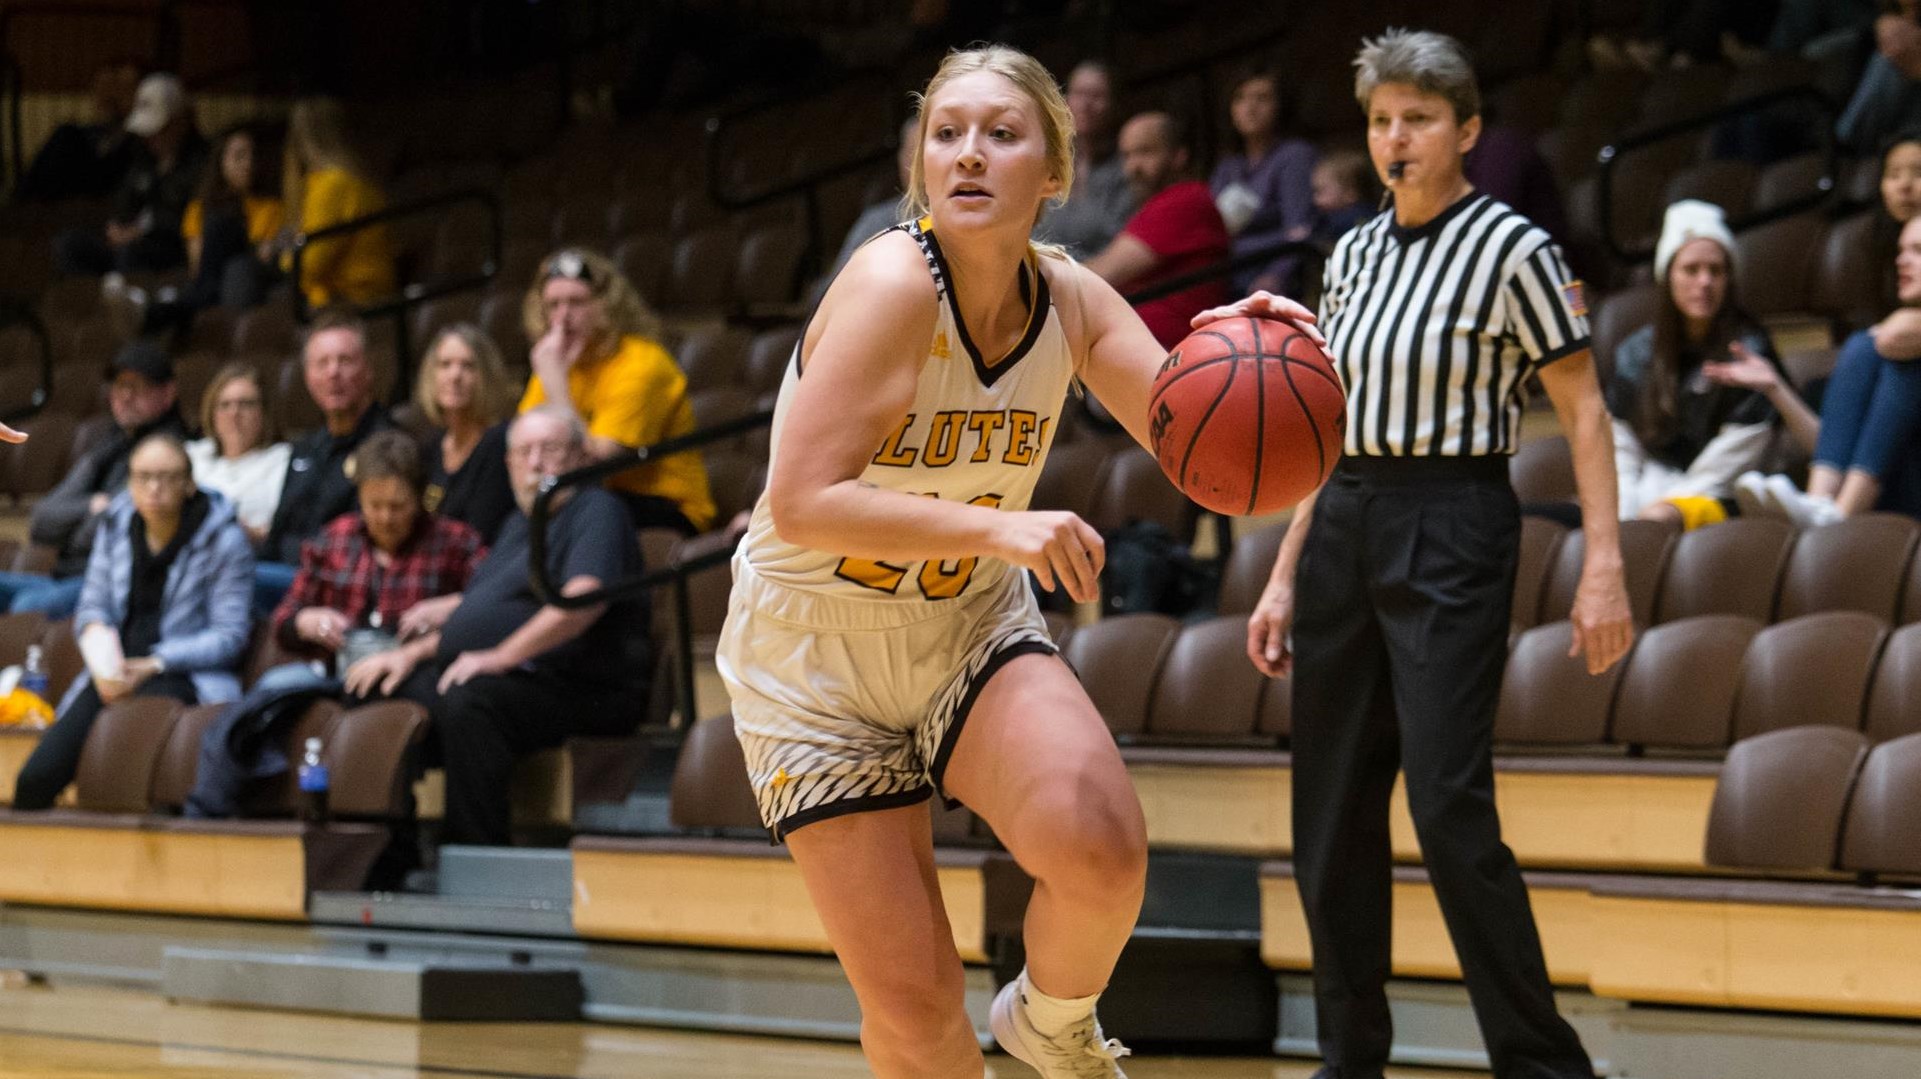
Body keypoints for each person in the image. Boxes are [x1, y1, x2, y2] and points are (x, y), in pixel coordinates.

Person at [718, 44, 1320, 1079]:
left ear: (1054, 171)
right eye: (946, 133)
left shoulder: (1071, 299)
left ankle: (1050, 1019)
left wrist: (1262, 361)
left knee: (1101, 849)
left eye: (1001, 135)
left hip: (962, 624)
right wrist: (1002, 528)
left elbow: (1206, 455)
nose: (967, 154)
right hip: (812, 655)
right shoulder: (891, 283)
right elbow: (802, 503)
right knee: (918, 1015)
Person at [1237, 30, 1632, 1079]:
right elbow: (1328, 425)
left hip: (1452, 516)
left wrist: (1603, 565)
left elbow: (1584, 411)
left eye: (1416, 118)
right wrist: (1282, 573)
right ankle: (1348, 1059)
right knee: (1328, 811)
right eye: (1379, 121)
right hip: (1346, 513)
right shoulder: (1352, 253)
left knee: (1448, 806)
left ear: (1465, 131)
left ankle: (1541, 1064)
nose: (1394, 138)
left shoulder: (1515, 249)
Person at [355, 407, 649, 844]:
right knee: (376, 686)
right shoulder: (517, 525)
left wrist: (499, 657)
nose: (535, 463)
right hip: (519, 675)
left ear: (581, 457)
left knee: (470, 700)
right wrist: (408, 655)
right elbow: (479, 614)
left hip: (582, 683)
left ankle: (474, 849)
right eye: (524, 452)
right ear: (508, 464)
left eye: (550, 450)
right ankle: (387, 849)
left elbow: (581, 602)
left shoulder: (595, 509)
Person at [9, 434, 252, 810]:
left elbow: (230, 636)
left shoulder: (225, 541)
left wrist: (155, 662)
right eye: (143, 477)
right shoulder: (115, 525)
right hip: (116, 675)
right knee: (34, 780)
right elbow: (93, 605)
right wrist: (99, 648)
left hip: (183, 676)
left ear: (189, 484)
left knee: (123, 777)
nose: (154, 488)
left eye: (166, 477)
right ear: (130, 482)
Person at [1609, 201, 1810, 529]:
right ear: (1668, 276)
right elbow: (1621, 449)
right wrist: (1624, 512)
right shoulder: (1635, 351)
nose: (1704, 282)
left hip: (1725, 495)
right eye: (1691, 270)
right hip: (1652, 486)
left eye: (1716, 271)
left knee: (1660, 519)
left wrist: (1659, 512)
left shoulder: (1750, 350)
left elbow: (1729, 465)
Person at [1736, 214, 1921, 524]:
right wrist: (1775, 387)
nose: (1902, 260)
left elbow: (1893, 337)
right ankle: (1821, 503)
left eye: (1918, 250)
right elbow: (1840, 445)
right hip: (1889, 489)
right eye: (1901, 250)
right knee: (1861, 348)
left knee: (1903, 364)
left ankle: (1839, 516)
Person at [516, 248, 716, 534]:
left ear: (606, 305)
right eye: (553, 305)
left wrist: (556, 384)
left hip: (666, 506)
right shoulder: (557, 363)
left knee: (581, 504)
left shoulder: (642, 363)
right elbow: (521, 450)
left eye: (576, 302)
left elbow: (593, 464)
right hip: (595, 498)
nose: (563, 317)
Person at [273, 430, 484, 682]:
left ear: (418, 499)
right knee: (276, 685)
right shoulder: (335, 537)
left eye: (397, 506)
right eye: (374, 505)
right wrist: (304, 621)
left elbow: (494, 606)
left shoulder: (455, 542)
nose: (385, 518)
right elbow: (284, 617)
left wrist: (452, 606)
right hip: (334, 673)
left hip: (413, 675)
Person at [6, 342, 190, 616]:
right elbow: (42, 520)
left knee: (27, 607)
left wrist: (75, 526)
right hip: (64, 576)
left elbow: (108, 528)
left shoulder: (170, 452)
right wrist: (92, 505)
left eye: (137, 387)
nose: (125, 396)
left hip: (109, 583)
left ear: (168, 393)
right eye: (119, 386)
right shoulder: (107, 445)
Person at [257, 309, 394, 595]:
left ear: (368, 370)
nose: (333, 373)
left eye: (345, 361)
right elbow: (276, 536)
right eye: (322, 363)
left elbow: (363, 545)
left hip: (342, 586)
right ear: (308, 377)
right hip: (281, 581)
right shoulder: (304, 448)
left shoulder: (388, 446)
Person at [1086, 110, 1230, 350]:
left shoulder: (1185, 200)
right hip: (1136, 346)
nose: (1133, 166)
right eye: (1127, 155)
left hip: (1169, 353)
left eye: (1145, 152)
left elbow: (1099, 275)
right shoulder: (1157, 204)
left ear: (1178, 156)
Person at [52, 73, 207, 278]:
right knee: (69, 244)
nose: (150, 138)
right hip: (128, 241)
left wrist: (141, 232)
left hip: (166, 248)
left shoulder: (202, 162)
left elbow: (189, 218)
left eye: (158, 130)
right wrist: (118, 226)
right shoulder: (143, 158)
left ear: (181, 121)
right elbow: (125, 197)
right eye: (146, 132)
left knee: (130, 255)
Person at [278, 98, 395, 309]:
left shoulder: (333, 185)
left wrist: (282, 257)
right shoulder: (358, 177)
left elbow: (310, 266)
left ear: (303, 140)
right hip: (363, 291)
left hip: (349, 298)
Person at [1209, 69, 1317, 296]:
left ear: (1281, 106)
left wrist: (1276, 276)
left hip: (1270, 280)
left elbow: (1299, 230)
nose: (1250, 108)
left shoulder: (1294, 156)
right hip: (1223, 275)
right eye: (1240, 98)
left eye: (1262, 98)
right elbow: (1210, 227)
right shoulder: (1228, 166)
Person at [416, 325, 518, 542]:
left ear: (487, 377)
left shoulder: (500, 441)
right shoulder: (431, 446)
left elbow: (481, 533)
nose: (455, 376)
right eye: (445, 365)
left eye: (468, 366)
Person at [1034, 60, 1135, 258]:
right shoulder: (1047, 161)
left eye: (1097, 96)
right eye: (1079, 94)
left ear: (1115, 104)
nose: (1086, 105)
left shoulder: (1128, 167)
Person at [815, 117, 921, 300]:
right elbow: (831, 293)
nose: (916, 168)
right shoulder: (879, 221)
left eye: (923, 157)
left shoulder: (965, 218)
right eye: (910, 156)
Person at [185, 364, 291, 545]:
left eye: (245, 404)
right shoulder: (192, 454)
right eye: (225, 405)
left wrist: (254, 534)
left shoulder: (285, 460)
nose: (234, 413)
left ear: (264, 412)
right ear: (211, 413)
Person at [15, 57, 141, 203]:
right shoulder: (75, 136)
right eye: (102, 87)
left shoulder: (141, 144)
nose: (109, 96)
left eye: (124, 89)